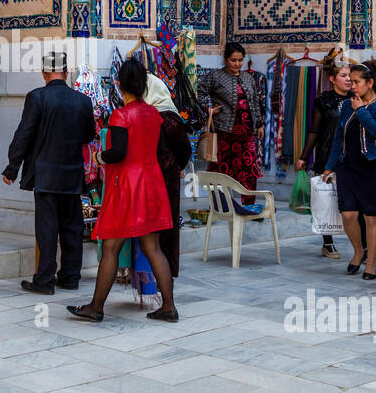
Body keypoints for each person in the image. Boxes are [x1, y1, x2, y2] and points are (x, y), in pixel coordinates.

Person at [68, 58, 178, 323]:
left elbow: (118, 153)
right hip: (152, 185)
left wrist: (98, 159)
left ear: (119, 84)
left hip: (127, 188)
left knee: (111, 248)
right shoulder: (154, 113)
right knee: (153, 247)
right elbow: (159, 148)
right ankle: (169, 307)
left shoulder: (121, 115)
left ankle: (95, 307)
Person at [3, 50, 97, 294]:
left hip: (45, 174)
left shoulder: (37, 97)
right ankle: (70, 276)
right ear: (66, 73)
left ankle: (44, 280)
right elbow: (89, 135)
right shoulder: (83, 101)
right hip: (72, 174)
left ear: (44, 73)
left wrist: (12, 168)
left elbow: (23, 135)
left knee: (47, 228)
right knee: (72, 227)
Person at [322, 59, 376, 281]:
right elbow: (338, 137)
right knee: (349, 214)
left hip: (370, 166)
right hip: (347, 166)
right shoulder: (346, 105)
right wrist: (329, 165)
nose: (352, 86)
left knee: (372, 217)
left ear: (370, 83)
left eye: (357, 82)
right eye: (350, 81)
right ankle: (358, 250)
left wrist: (361, 109)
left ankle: (370, 263)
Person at [296, 54, 364, 260]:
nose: (348, 80)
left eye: (350, 76)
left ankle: (363, 246)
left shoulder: (358, 99)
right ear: (332, 79)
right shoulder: (323, 102)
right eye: (343, 75)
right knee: (326, 200)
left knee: (357, 202)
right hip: (328, 155)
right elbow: (314, 131)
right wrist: (303, 156)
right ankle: (328, 243)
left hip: (352, 156)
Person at [197, 42, 265, 203]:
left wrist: (259, 124)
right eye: (233, 60)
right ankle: (221, 206)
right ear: (225, 59)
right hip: (224, 131)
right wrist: (209, 109)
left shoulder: (248, 78)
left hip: (246, 132)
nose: (237, 64)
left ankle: (248, 205)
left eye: (240, 60)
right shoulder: (216, 76)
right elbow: (198, 93)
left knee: (248, 167)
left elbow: (255, 102)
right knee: (222, 168)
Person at [144, 73, 192, 278]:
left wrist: (175, 166)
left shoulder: (167, 117)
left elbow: (184, 148)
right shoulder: (146, 113)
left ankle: (165, 271)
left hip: (164, 178)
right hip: (154, 176)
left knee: (165, 225)